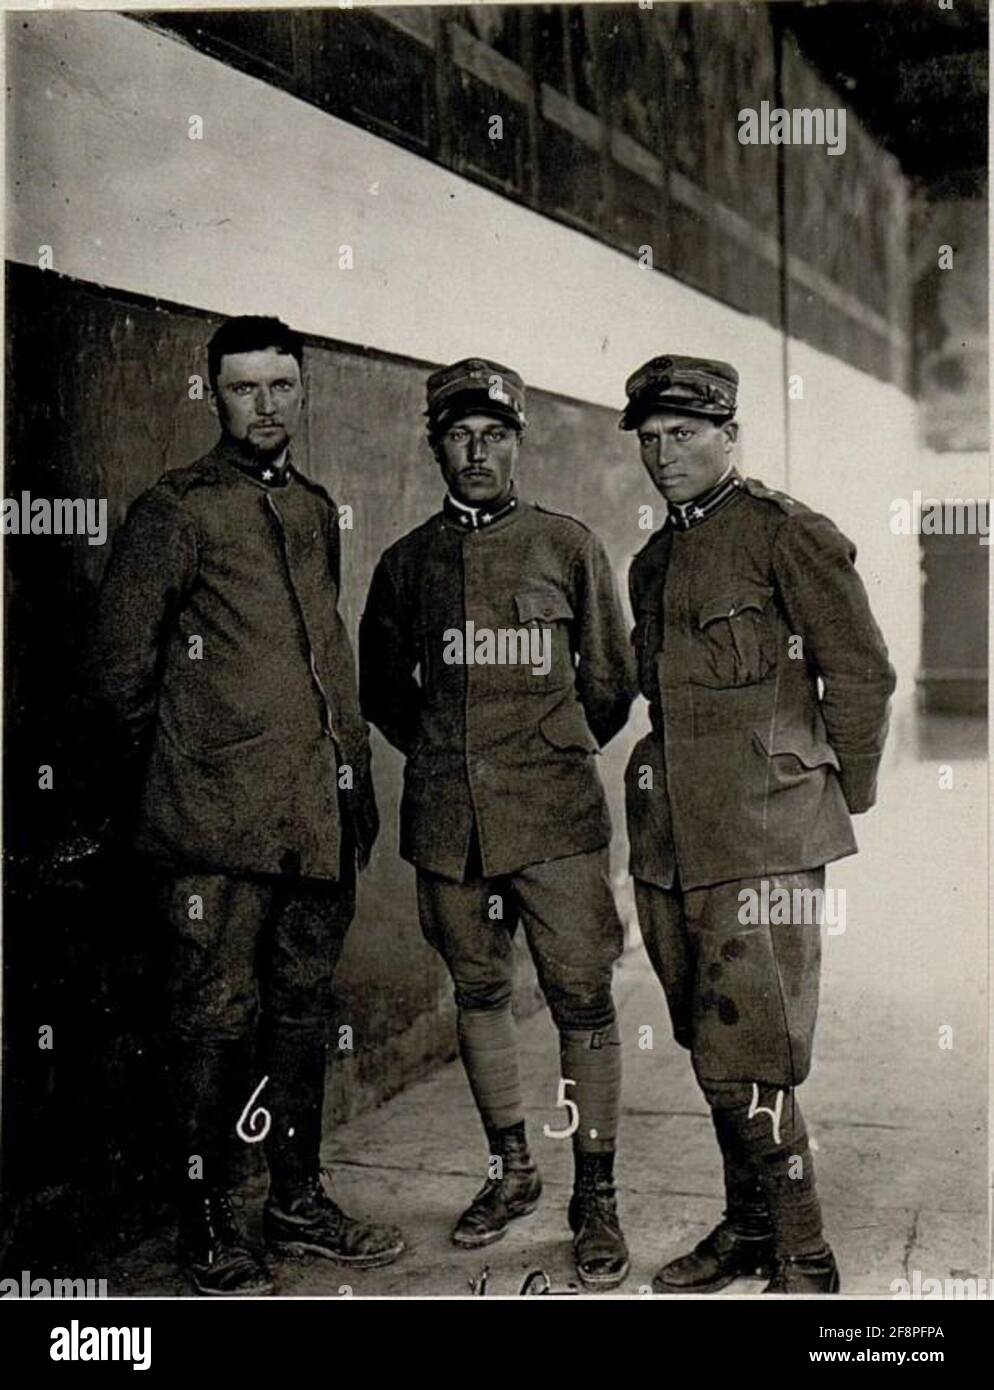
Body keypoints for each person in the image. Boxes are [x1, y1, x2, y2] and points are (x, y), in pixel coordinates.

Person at [92, 316, 405, 1295]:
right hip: (212, 832)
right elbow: (116, 676)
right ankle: (208, 1218)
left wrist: (349, 777)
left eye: (280, 387)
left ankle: (296, 1200)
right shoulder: (175, 511)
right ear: (212, 396)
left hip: (316, 824)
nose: (265, 406)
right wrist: (188, 781)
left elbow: (328, 662)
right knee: (214, 1020)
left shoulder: (312, 509)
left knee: (299, 1014)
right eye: (243, 389)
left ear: (300, 392)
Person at [621, 354, 895, 1295]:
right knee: (708, 1041)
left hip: (765, 832)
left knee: (755, 1047)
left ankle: (804, 1251)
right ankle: (747, 1227)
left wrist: (831, 796)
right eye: (650, 440)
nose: (665, 454)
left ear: (729, 435)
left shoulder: (788, 536)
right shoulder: (651, 562)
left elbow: (859, 674)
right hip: (672, 839)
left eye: (684, 434)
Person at [359, 358, 636, 1288]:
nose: (477, 453)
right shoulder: (406, 564)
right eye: (459, 436)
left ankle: (593, 1194)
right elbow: (383, 693)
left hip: (555, 818)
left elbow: (610, 682)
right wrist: (450, 756)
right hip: (449, 827)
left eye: (495, 437)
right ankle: (511, 1170)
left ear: (519, 444)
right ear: (436, 445)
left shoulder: (569, 547)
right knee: (477, 995)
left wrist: (547, 751)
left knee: (583, 1000)